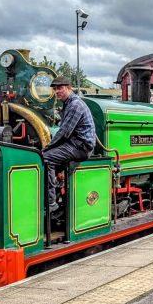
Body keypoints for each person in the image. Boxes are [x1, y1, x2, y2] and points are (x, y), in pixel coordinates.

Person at [44, 76, 96, 213]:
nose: (57, 91)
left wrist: (46, 148)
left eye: (60, 88)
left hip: (81, 147)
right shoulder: (68, 104)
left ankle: (51, 202)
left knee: (46, 158)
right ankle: (56, 188)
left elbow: (64, 132)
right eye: (55, 89)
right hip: (74, 144)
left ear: (69, 88)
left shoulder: (75, 105)